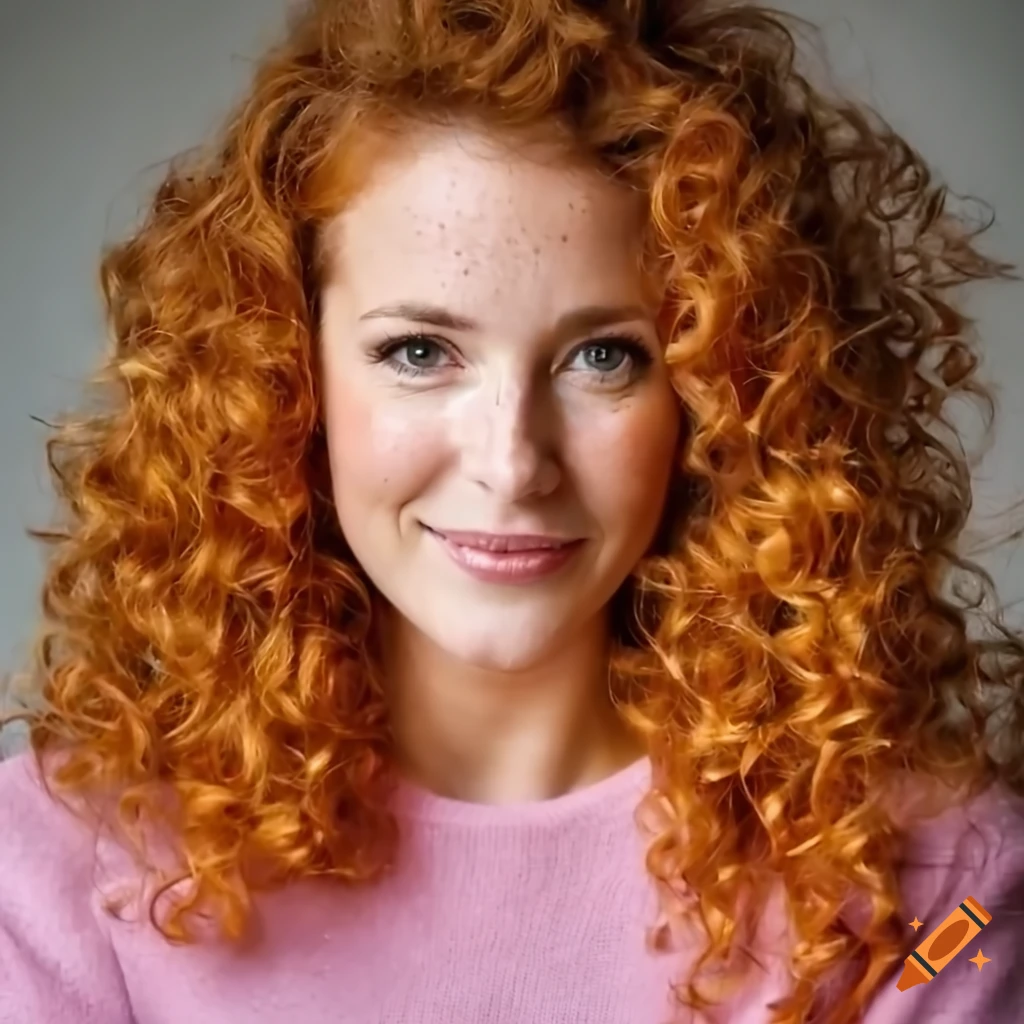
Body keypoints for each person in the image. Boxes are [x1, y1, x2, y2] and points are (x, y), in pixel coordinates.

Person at [1, 0, 1022, 1021]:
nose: (512, 463)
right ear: (282, 375)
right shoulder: (57, 870)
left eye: (603, 357)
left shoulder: (942, 897)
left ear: (724, 390)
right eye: (419, 352)